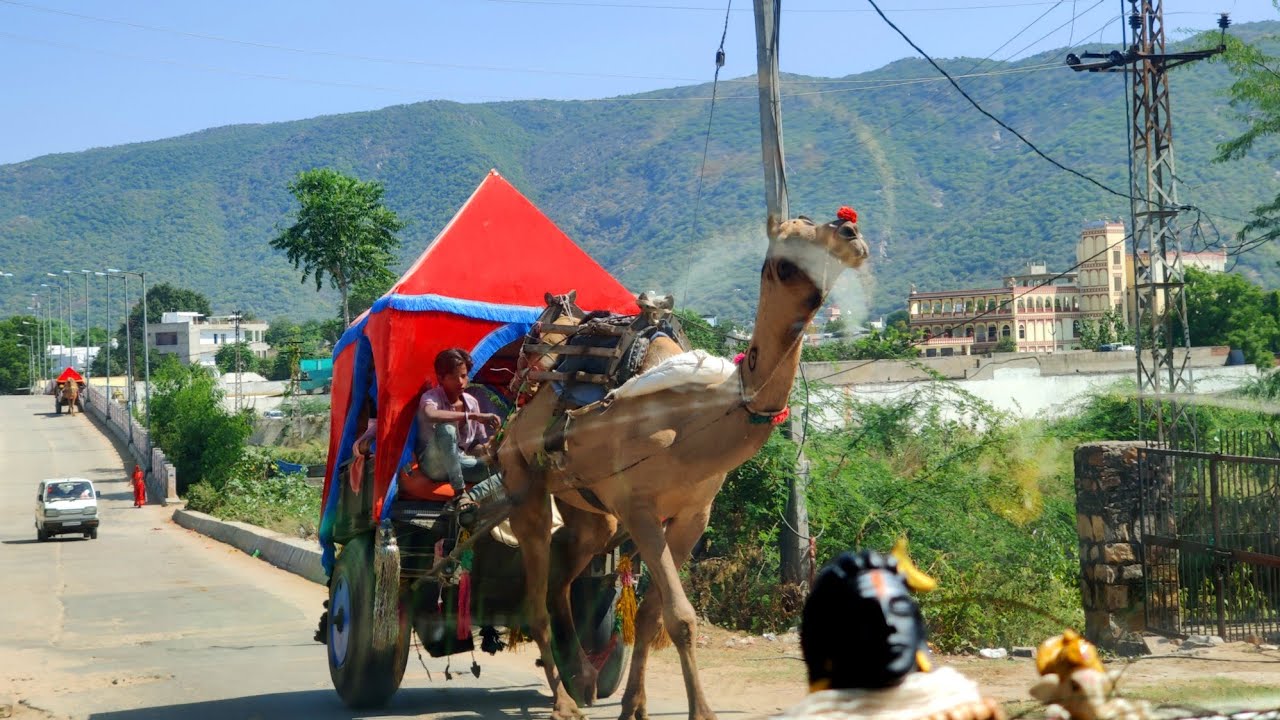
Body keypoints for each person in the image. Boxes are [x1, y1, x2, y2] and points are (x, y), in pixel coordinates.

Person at [416, 348, 503, 509]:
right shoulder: (431, 397)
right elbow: (430, 414)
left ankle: (470, 497)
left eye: (463, 376)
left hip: (461, 461)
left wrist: (493, 447)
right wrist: (472, 416)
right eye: (454, 378)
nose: (461, 382)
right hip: (434, 464)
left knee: (508, 470)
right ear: (441, 378)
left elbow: (473, 446)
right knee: (447, 429)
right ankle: (459, 492)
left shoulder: (471, 402)